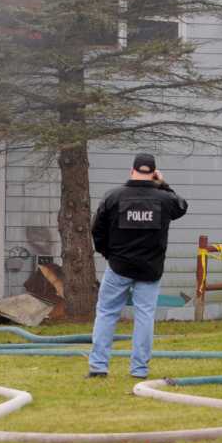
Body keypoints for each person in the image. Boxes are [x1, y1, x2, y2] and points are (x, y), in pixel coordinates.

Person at [88, 153, 188, 379]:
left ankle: (98, 367)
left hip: (119, 266)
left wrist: (109, 255)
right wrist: (164, 185)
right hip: (150, 269)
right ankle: (139, 370)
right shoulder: (165, 199)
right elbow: (182, 206)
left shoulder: (113, 197)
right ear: (153, 172)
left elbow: (97, 231)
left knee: (106, 313)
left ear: (131, 170)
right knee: (144, 316)